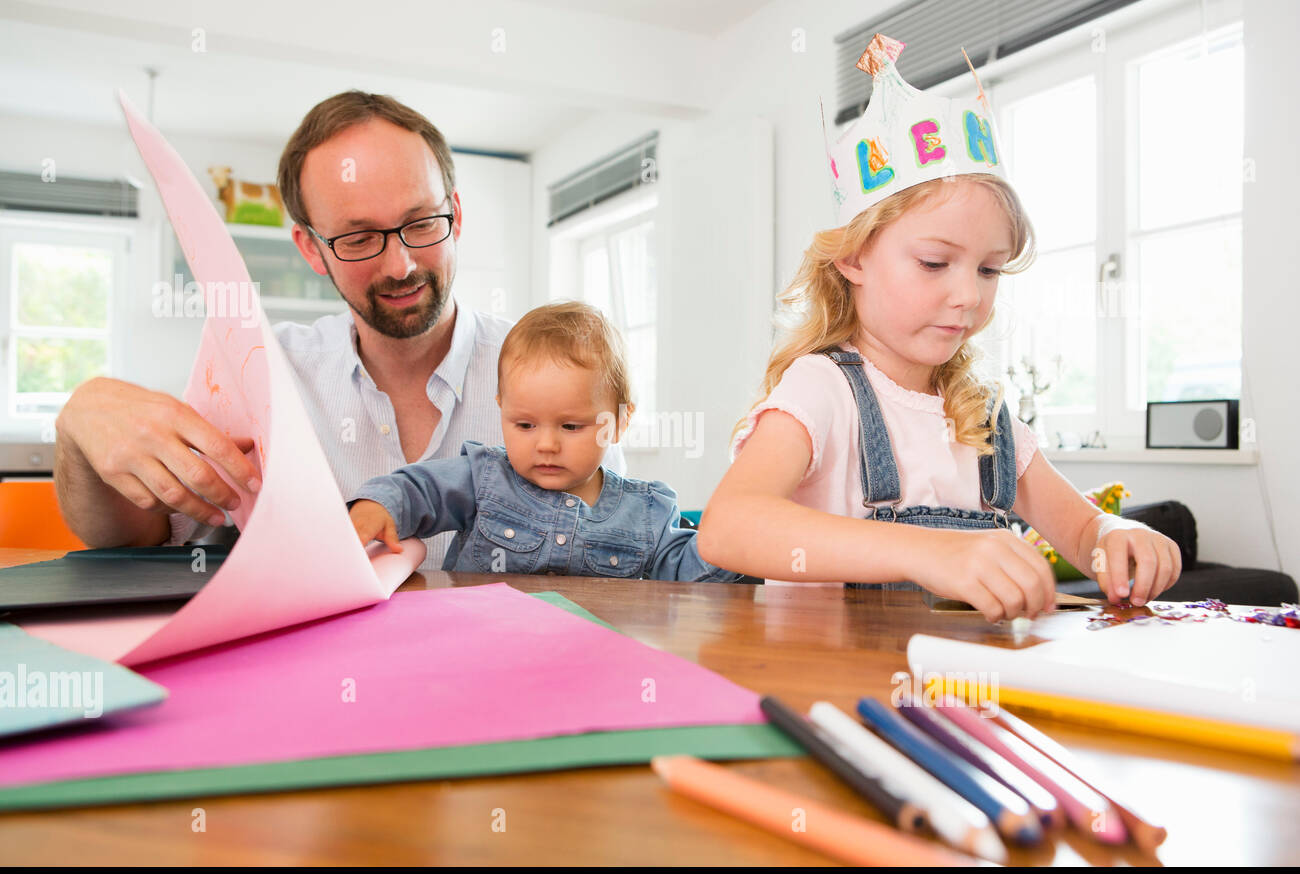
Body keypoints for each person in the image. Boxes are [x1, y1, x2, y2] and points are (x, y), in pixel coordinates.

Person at [698, 34, 1181, 622]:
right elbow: (726, 528)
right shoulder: (822, 387)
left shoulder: (985, 415)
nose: (968, 295)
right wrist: (927, 551)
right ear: (852, 259)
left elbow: (1081, 533)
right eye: (934, 263)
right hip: (838, 692)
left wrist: (1114, 535)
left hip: (965, 690)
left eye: (989, 269)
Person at [53, 91, 622, 570]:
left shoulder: (560, 374)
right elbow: (136, 539)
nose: (400, 265)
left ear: (456, 214)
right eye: (358, 238)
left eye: (422, 223)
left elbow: (621, 546)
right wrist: (79, 430)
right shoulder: (259, 373)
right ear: (311, 249)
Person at [349, 302, 740, 582]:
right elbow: (423, 489)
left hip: (589, 665)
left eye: (570, 427)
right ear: (501, 410)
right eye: (525, 425)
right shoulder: (483, 478)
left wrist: (738, 536)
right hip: (482, 653)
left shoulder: (647, 513)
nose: (547, 444)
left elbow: (688, 572)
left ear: (618, 423)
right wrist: (379, 504)